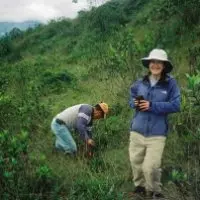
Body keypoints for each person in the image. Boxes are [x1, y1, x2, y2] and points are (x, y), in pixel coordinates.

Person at [128, 49, 180, 198]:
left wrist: (152, 105)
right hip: (137, 130)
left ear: (164, 65)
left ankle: (155, 191)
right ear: (149, 64)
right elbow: (131, 97)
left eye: (159, 62)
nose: (155, 65)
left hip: (157, 134)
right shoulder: (140, 82)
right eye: (153, 61)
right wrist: (134, 103)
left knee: (151, 167)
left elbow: (176, 105)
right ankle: (140, 187)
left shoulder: (170, 84)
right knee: (135, 162)